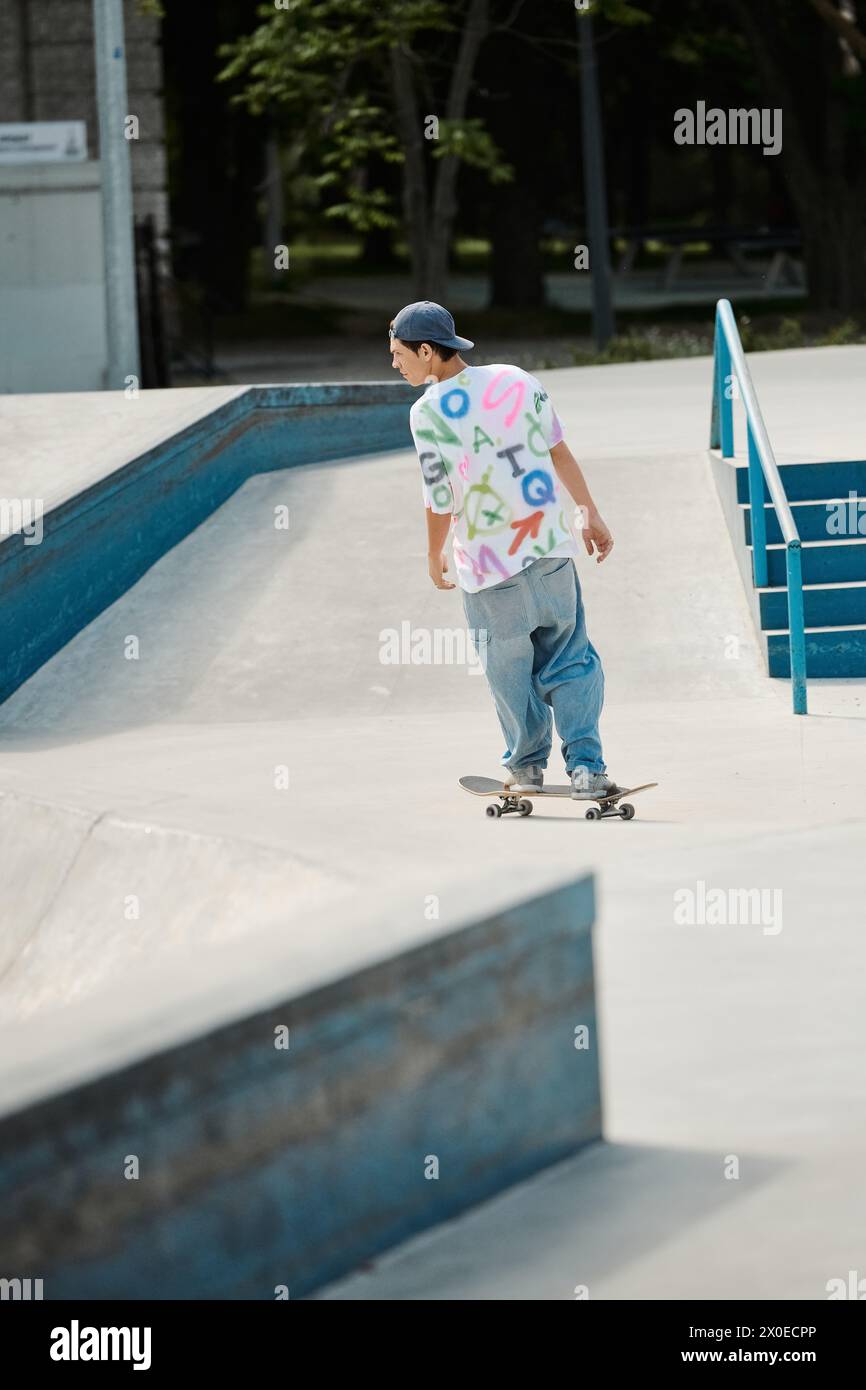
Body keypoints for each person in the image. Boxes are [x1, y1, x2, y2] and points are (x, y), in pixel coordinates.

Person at [390, 299, 619, 799]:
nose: (395, 363)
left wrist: (433, 555)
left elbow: (439, 497)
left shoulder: (427, 412)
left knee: (507, 672)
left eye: (399, 353)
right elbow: (558, 449)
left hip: (489, 569)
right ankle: (587, 769)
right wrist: (589, 513)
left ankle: (527, 767)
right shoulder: (517, 379)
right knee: (572, 660)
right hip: (551, 552)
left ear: (426, 351)